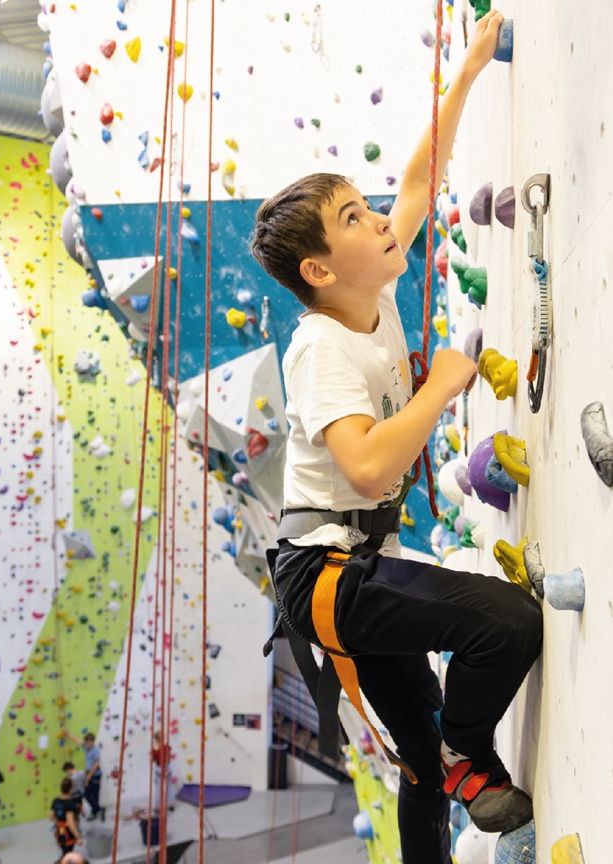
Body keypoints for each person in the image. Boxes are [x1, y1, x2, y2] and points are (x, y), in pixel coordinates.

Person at [251, 11, 543, 864]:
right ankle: (463, 749)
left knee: (417, 774)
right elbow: (370, 464)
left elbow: (420, 178)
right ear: (320, 268)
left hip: (348, 566)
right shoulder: (322, 345)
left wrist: (470, 67)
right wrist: (444, 386)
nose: (382, 220)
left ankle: (444, 765)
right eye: (354, 217)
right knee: (508, 623)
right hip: (325, 577)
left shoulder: (366, 294)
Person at [65, 731, 105, 822]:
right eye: (87, 742)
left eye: (90, 742)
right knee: (90, 795)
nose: (88, 744)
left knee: (90, 795)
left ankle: (97, 810)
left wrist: (89, 775)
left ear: (93, 742)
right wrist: (67, 734)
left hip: (95, 776)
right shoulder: (85, 748)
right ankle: (98, 810)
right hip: (89, 775)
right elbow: (77, 740)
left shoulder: (95, 751)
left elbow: (96, 764)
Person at [50, 776, 82, 862]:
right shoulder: (69, 803)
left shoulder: (55, 801)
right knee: (68, 852)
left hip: (60, 829)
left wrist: (60, 817)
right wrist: (78, 837)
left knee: (64, 848)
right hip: (68, 831)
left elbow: (51, 817)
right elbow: (70, 822)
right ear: (70, 788)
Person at [150, 731, 175, 812]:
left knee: (159, 788)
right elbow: (169, 759)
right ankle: (171, 804)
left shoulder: (154, 747)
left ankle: (157, 807)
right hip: (168, 767)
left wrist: (155, 758)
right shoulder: (167, 746)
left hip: (159, 768)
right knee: (169, 786)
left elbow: (152, 760)